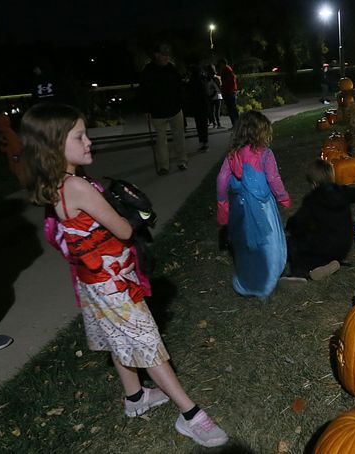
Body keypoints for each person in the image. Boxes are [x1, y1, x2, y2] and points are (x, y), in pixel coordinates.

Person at [18, 103, 228, 448]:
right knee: (148, 343)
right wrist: (131, 211)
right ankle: (190, 415)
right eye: (79, 136)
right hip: (114, 285)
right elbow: (123, 230)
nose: (89, 142)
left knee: (119, 336)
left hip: (95, 282)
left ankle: (135, 397)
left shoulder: (57, 184)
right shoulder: (77, 187)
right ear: (55, 145)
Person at [216, 110, 291, 297]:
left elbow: (221, 180)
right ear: (260, 133)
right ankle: (267, 277)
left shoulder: (232, 155)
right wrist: (283, 197)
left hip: (240, 206)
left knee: (246, 243)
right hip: (263, 208)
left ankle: (248, 278)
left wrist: (223, 203)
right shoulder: (265, 154)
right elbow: (273, 179)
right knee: (268, 240)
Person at [283, 159, 355, 281]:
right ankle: (330, 264)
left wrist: (290, 226)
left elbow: (298, 221)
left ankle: (299, 274)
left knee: (293, 244)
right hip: (342, 248)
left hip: (322, 249)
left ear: (314, 184)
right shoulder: (344, 192)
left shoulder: (312, 200)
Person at [139, 43, 187, 176]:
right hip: (157, 112)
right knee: (161, 141)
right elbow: (143, 91)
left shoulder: (172, 68)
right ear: (157, 55)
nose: (167, 57)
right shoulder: (148, 70)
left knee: (179, 137)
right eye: (164, 54)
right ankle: (163, 166)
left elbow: (180, 86)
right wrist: (146, 109)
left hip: (175, 110)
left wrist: (181, 102)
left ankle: (182, 161)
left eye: (168, 54)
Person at [185, 65, 210, 152]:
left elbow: (188, 93)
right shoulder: (202, 80)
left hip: (197, 106)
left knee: (199, 125)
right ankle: (205, 142)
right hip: (203, 105)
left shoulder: (192, 82)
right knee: (203, 124)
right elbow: (206, 93)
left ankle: (202, 142)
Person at [218, 58, 239, 126]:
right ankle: (236, 124)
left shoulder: (227, 70)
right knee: (232, 109)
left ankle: (235, 124)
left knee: (231, 109)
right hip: (229, 91)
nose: (220, 65)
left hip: (229, 92)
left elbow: (231, 81)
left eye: (220, 64)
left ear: (223, 63)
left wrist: (231, 90)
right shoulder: (226, 70)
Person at [206, 64, 223, 129]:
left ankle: (216, 123)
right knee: (214, 111)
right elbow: (220, 86)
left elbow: (218, 87)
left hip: (214, 96)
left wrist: (211, 94)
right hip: (215, 96)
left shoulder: (214, 78)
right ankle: (216, 124)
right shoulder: (211, 78)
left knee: (214, 111)